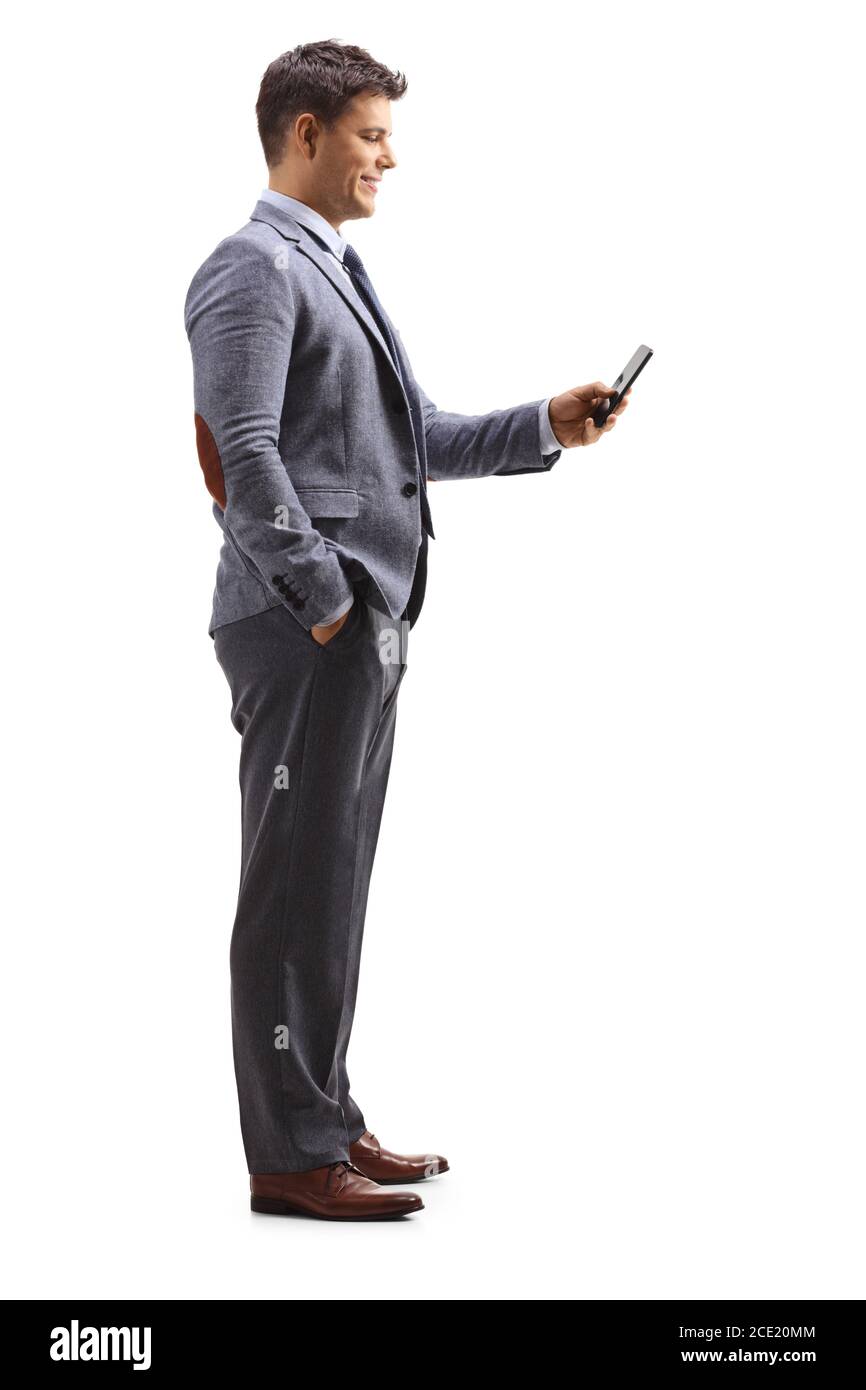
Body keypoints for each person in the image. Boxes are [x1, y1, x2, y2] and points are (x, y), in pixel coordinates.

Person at [183, 38, 631, 1222]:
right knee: (289, 893)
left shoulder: (338, 268)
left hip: (361, 622)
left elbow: (410, 438)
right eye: (372, 134)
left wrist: (546, 422)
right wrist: (328, 602)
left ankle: (321, 1119)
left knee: (327, 883)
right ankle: (288, 1157)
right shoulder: (250, 267)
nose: (390, 155)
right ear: (306, 135)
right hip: (305, 630)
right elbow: (239, 455)